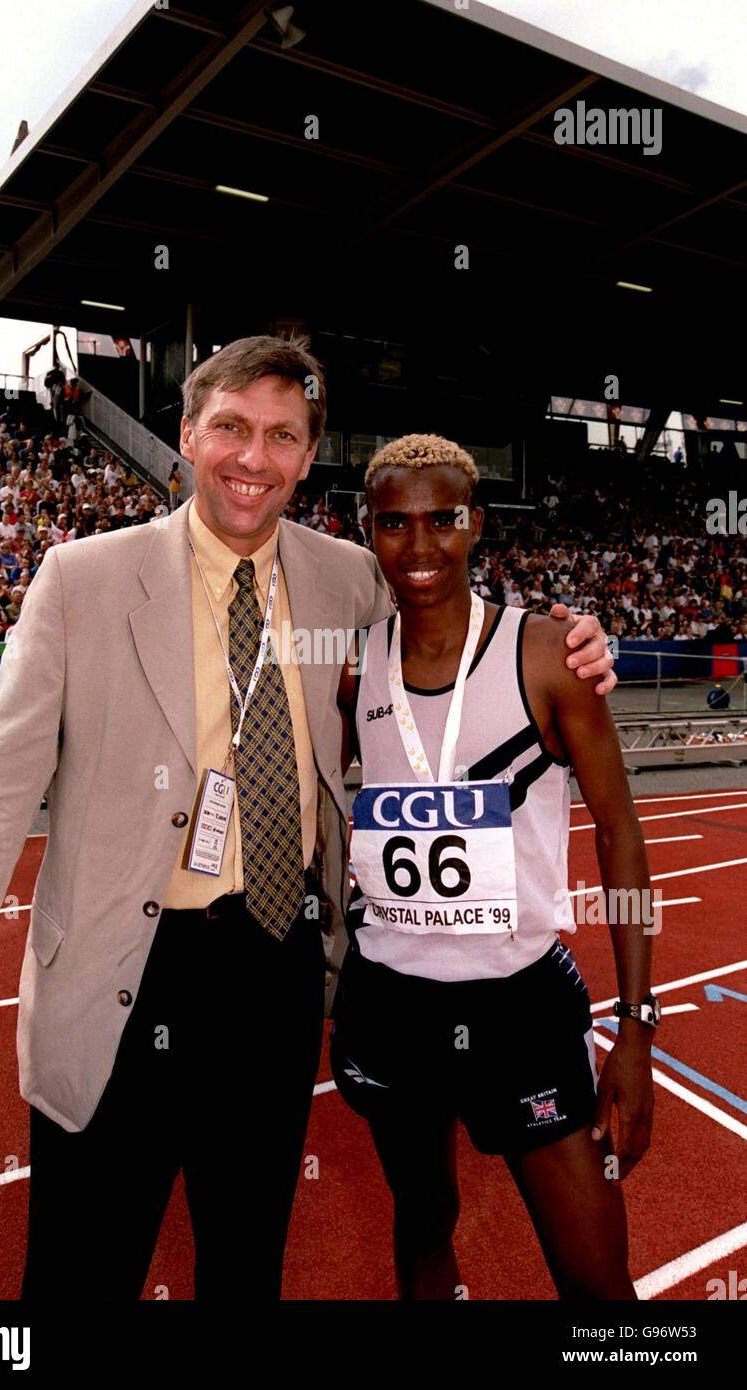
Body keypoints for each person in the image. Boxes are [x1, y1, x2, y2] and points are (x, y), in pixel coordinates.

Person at [0, 337, 615, 1303]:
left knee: (245, 1262)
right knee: (78, 1267)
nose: (252, 456)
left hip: (273, 969)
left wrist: (574, 640)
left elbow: (460, 619)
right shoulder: (82, 580)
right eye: (230, 426)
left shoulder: (349, 580)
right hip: (123, 971)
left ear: (308, 457)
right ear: (188, 434)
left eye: (281, 435)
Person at [331, 435, 655, 1301]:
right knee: (424, 1224)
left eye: (444, 520)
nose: (422, 546)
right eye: (395, 524)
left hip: (520, 1004)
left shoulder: (550, 654)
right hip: (391, 998)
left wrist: (636, 1027)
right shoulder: (348, 661)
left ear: (477, 524)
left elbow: (621, 835)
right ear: (370, 532)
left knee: (596, 1280)